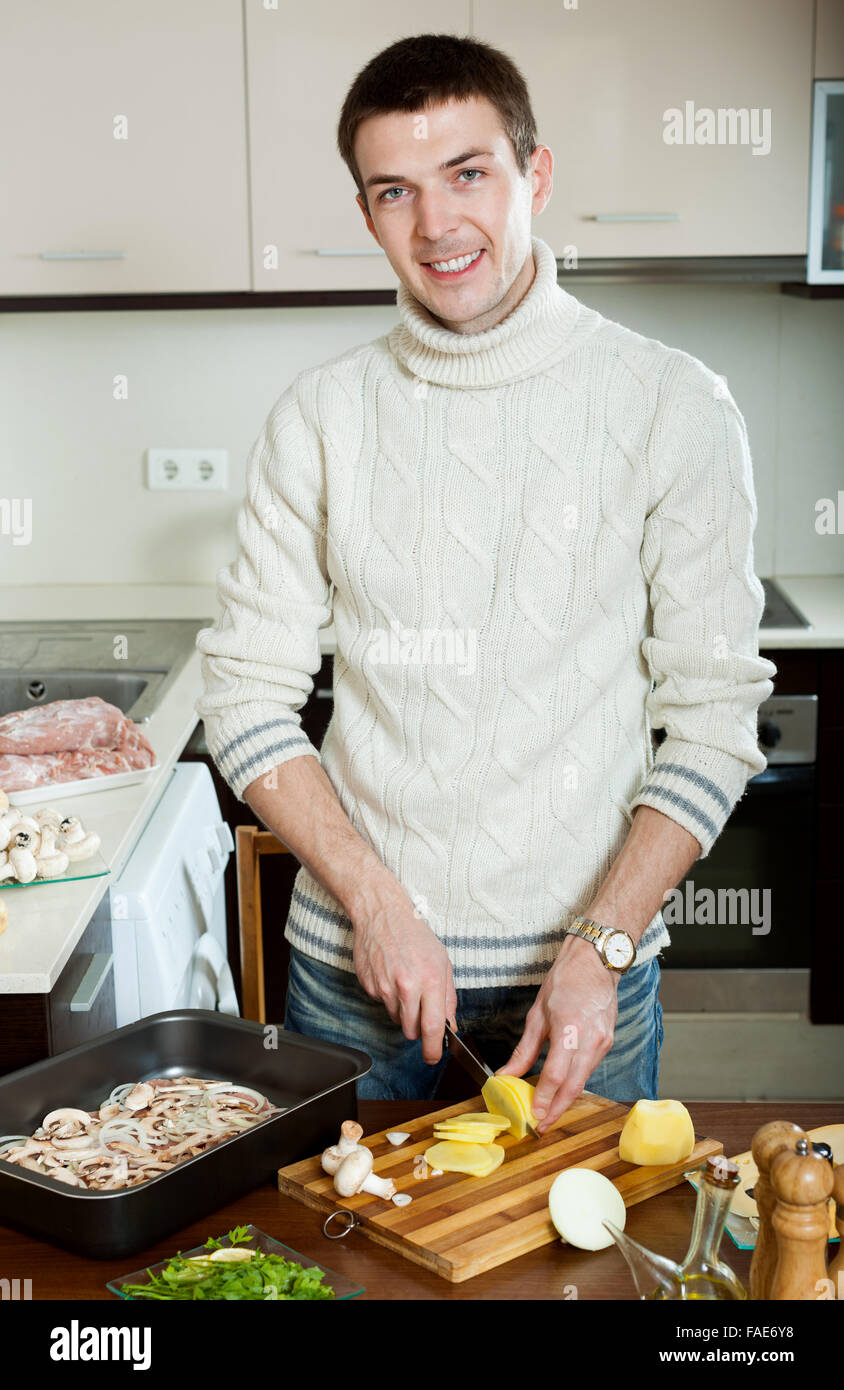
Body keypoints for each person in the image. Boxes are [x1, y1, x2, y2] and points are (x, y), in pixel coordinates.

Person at [196, 33, 776, 1133]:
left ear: (534, 176)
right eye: (394, 191)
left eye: (468, 173)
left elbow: (712, 721)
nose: (436, 224)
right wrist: (377, 906)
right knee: (339, 1270)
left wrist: (600, 943)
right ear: (366, 214)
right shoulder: (320, 417)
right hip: (353, 980)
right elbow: (243, 699)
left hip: (586, 983)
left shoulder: (672, 405)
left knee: (584, 1275)